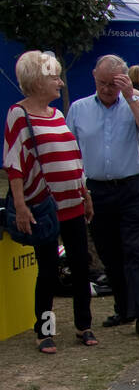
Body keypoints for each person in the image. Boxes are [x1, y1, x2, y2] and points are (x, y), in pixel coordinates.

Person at [5, 51, 97, 352]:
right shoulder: (19, 114)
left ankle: (84, 325)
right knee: (47, 271)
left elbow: (74, 159)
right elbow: (14, 164)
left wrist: (84, 194)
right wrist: (20, 205)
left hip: (72, 202)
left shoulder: (57, 115)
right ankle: (44, 331)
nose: (59, 82)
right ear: (37, 81)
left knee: (81, 266)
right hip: (44, 207)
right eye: (53, 76)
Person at [66, 54, 139, 335]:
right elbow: (73, 152)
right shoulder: (79, 109)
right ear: (94, 76)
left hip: (131, 186)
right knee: (110, 253)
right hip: (97, 189)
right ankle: (124, 309)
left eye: (113, 84)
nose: (107, 89)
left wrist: (131, 97)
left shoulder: (134, 103)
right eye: (102, 83)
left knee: (135, 249)